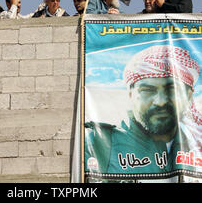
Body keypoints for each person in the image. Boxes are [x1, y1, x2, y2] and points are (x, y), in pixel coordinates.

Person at [85, 45, 202, 176]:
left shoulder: (196, 143)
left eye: (172, 90)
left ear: (189, 96)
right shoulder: (96, 143)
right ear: (130, 95)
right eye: (147, 90)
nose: (160, 101)